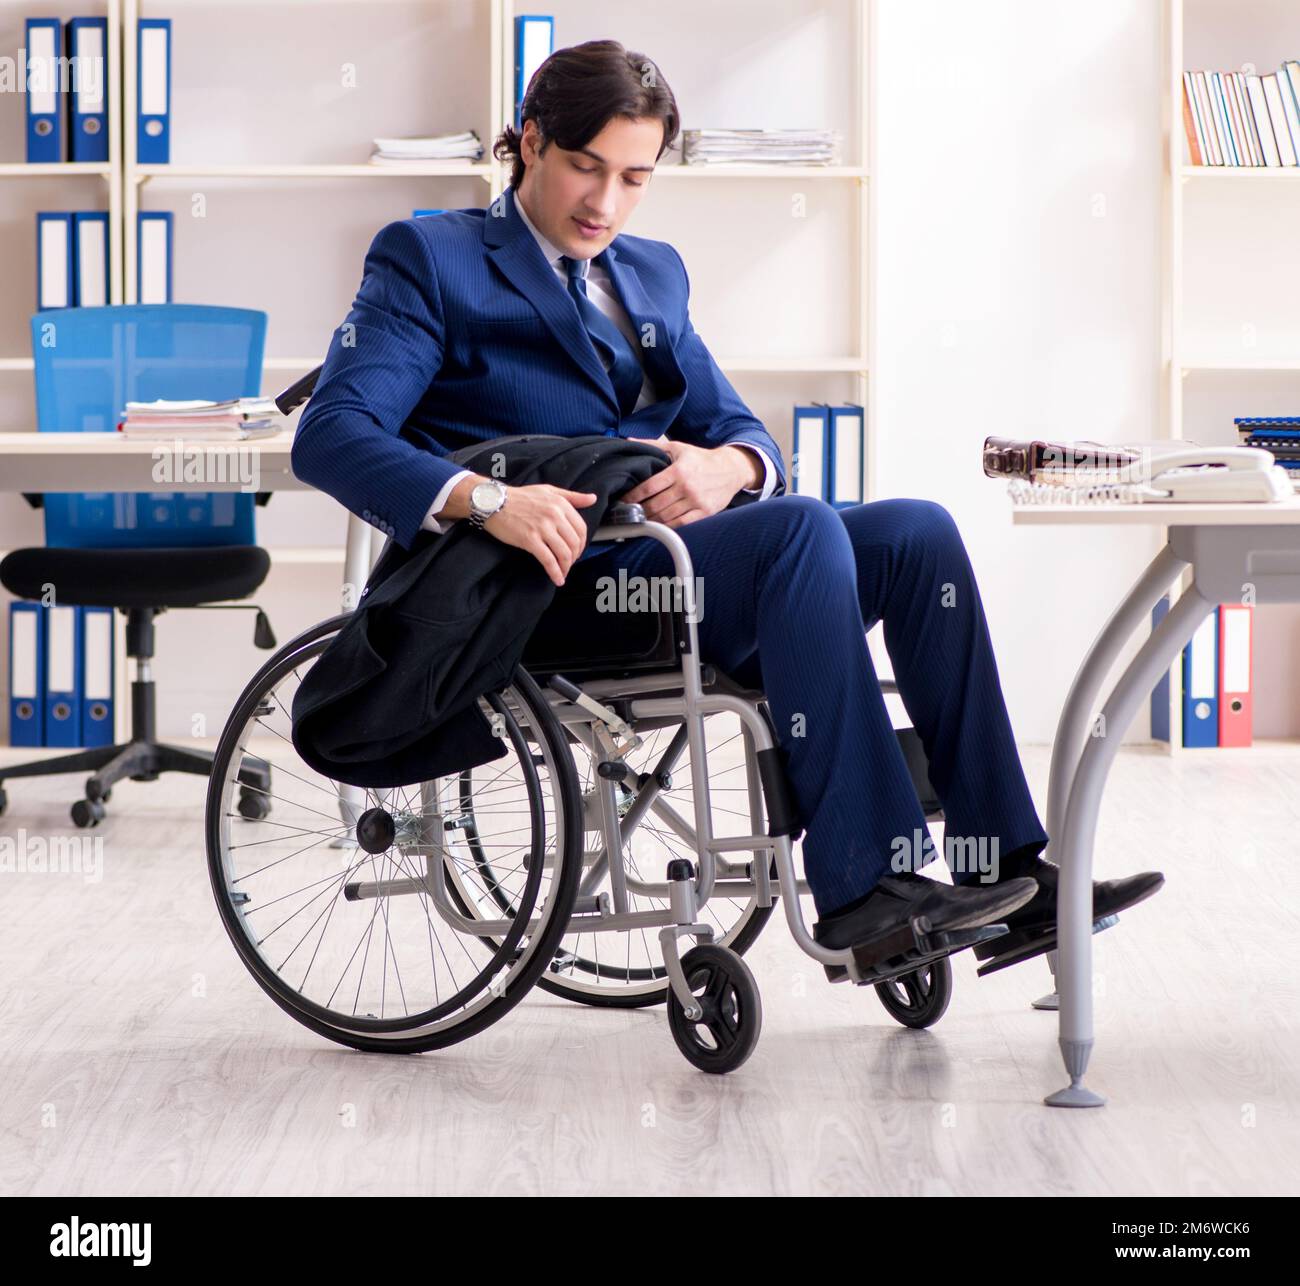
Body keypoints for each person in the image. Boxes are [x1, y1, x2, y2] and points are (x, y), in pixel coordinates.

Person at [291, 39, 1163, 975]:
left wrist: (732, 469)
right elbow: (332, 434)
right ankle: (868, 890)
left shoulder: (652, 274)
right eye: (586, 168)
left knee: (917, 532)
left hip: (678, 563)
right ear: (530, 142)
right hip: (549, 589)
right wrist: (489, 498)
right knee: (800, 533)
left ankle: (1012, 867)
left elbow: (746, 430)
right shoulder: (432, 257)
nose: (605, 204)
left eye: (634, 177)